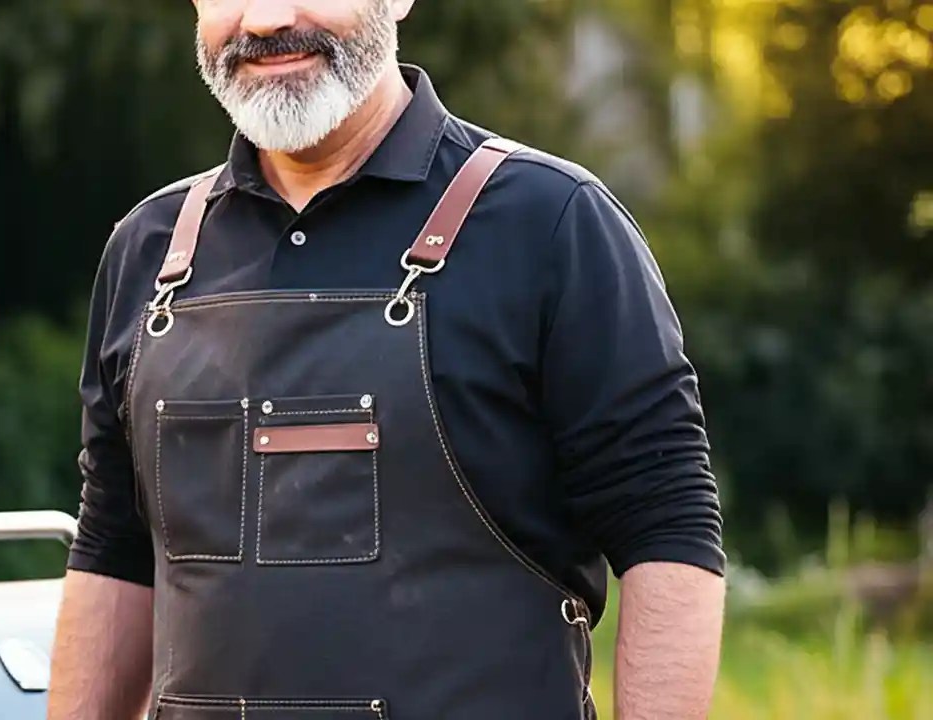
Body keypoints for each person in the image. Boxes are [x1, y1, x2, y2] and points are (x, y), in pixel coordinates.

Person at [47, 1, 726, 718]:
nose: (268, 18)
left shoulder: (551, 222)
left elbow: (668, 527)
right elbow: (113, 550)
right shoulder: (150, 251)